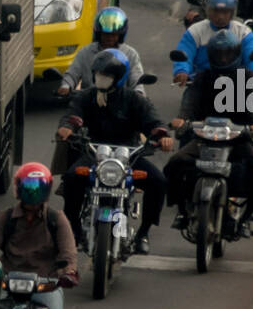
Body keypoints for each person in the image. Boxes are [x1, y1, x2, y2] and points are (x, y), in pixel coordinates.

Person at [58, 47, 172, 255]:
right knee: (71, 178)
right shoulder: (86, 96)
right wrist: (68, 127)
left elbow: (153, 121)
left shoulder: (134, 99)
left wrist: (161, 135)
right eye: (99, 74)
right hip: (94, 154)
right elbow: (73, 114)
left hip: (129, 155)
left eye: (107, 75)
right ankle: (72, 229)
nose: (101, 78)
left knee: (158, 182)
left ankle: (143, 233)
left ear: (119, 78)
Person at [0, 161, 78, 309]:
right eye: (29, 187)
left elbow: (68, 253)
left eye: (39, 187)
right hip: (7, 282)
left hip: (45, 282)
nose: (33, 192)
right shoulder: (5, 218)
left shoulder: (57, 219)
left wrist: (68, 273)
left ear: (47, 190)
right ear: (18, 189)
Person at [165, 29, 253, 227]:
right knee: (175, 163)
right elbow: (190, 101)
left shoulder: (248, 78)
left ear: (236, 54)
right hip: (204, 137)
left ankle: (247, 217)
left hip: (238, 138)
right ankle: (181, 209)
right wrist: (182, 119)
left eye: (227, 54)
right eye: (219, 54)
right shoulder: (203, 77)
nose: (223, 58)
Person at [173, 0, 253, 87]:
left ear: (232, 12)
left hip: (237, 83)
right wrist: (182, 71)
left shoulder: (243, 32)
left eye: (225, 12)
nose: (220, 16)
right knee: (189, 101)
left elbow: (252, 57)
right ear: (208, 10)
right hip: (202, 83)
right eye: (216, 11)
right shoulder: (195, 31)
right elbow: (185, 53)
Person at [56, 6, 145, 96]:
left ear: (120, 35)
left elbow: (136, 78)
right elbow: (73, 73)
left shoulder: (130, 54)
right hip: (89, 102)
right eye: (106, 34)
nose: (109, 38)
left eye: (113, 35)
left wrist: (139, 92)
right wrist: (66, 86)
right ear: (99, 34)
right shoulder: (86, 52)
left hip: (121, 104)